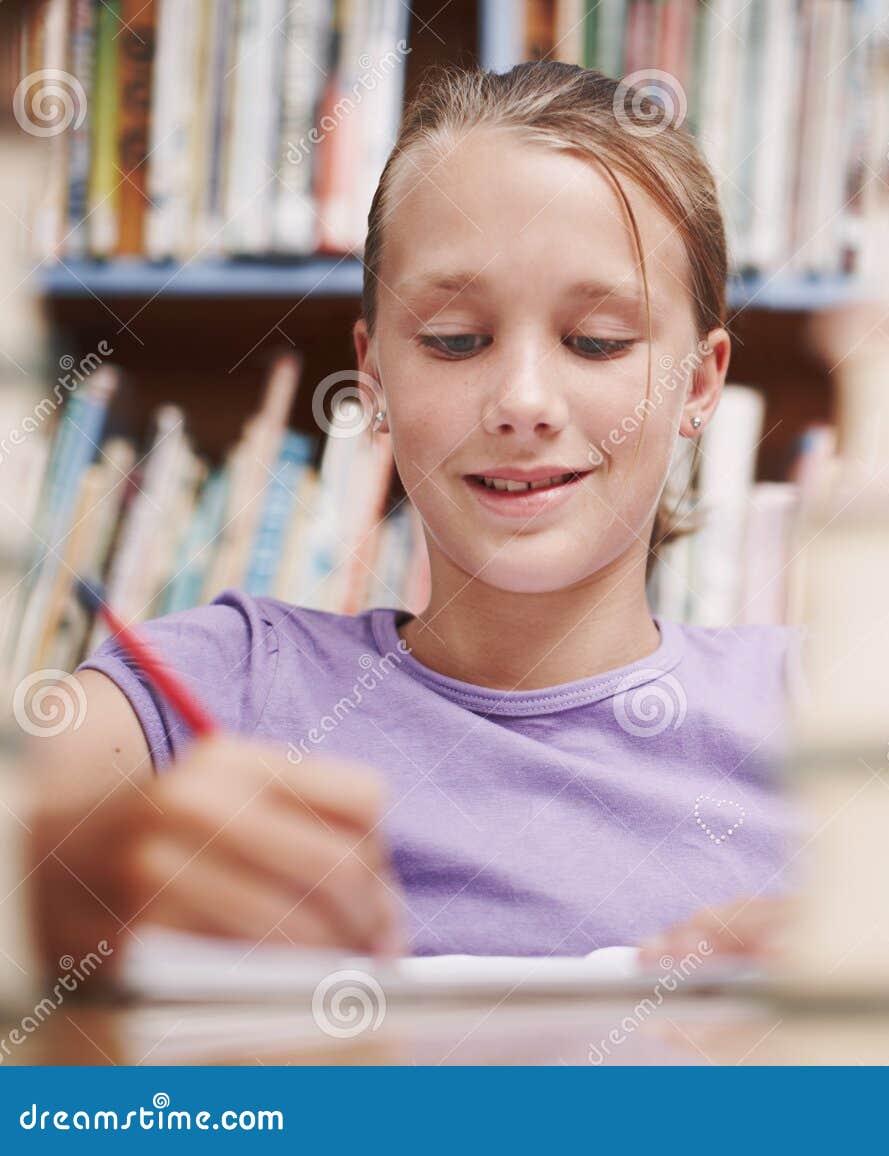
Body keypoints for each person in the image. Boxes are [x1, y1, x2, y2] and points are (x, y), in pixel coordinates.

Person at [37, 62, 795, 962]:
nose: (522, 400)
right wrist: (54, 881)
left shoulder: (821, 706)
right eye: (454, 340)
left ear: (699, 383)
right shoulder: (222, 680)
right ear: (374, 374)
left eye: (596, 342)